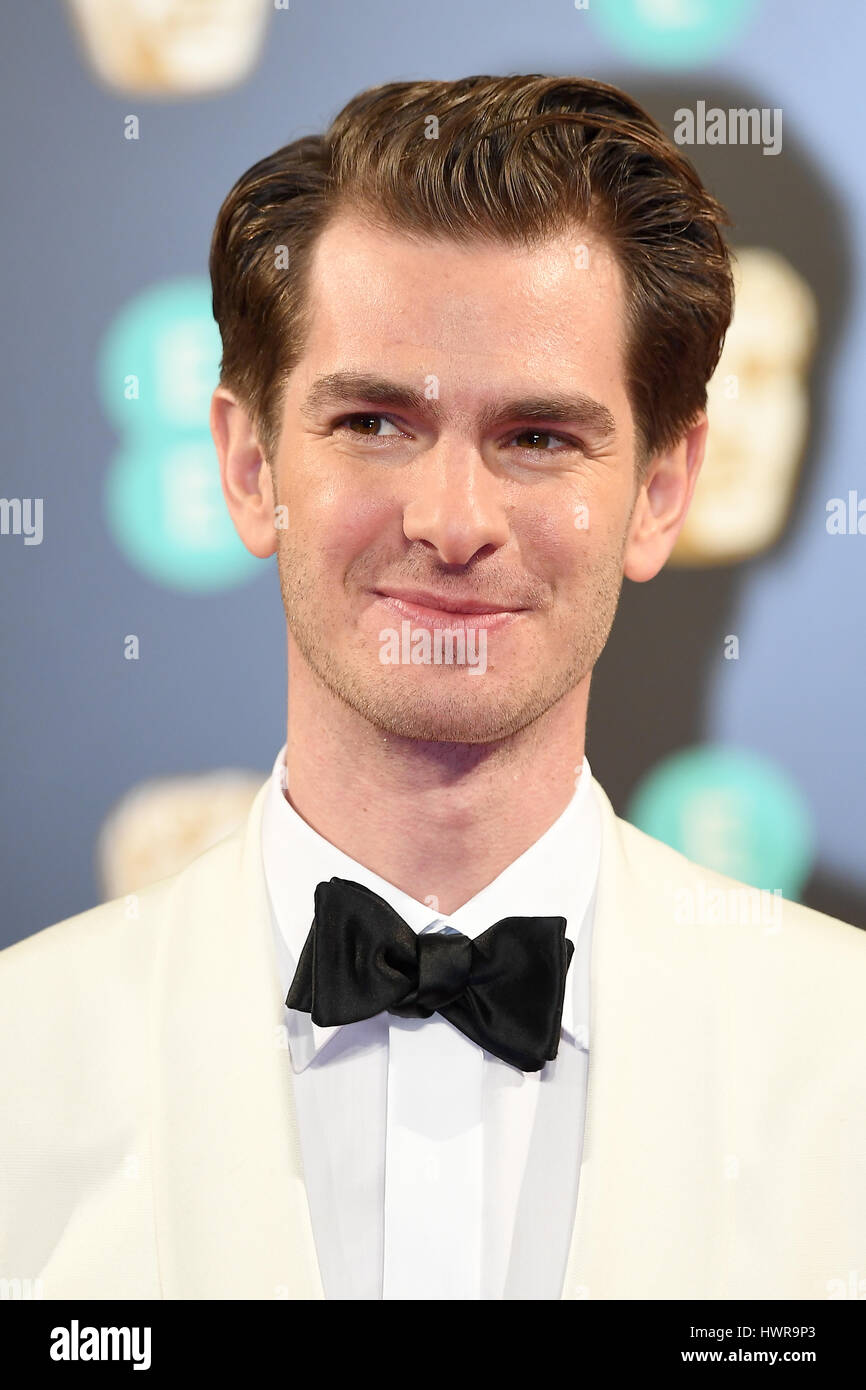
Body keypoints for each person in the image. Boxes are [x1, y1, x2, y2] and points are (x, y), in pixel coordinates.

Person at [2, 74, 864, 1302]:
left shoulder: (843, 1066)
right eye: (373, 423)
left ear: (660, 492)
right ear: (247, 465)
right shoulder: (20, 1070)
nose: (453, 523)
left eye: (537, 437)